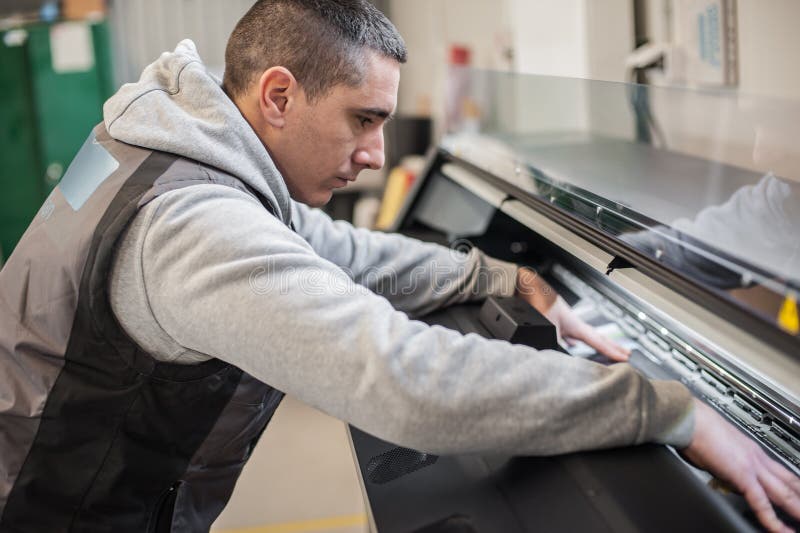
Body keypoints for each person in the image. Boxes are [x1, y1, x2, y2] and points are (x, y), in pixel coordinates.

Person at [0, 0, 797, 531]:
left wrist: (498, 278)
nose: (378, 156)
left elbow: (338, 249)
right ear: (278, 95)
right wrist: (668, 409)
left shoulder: (175, 149)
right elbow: (403, 379)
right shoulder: (192, 225)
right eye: (363, 119)